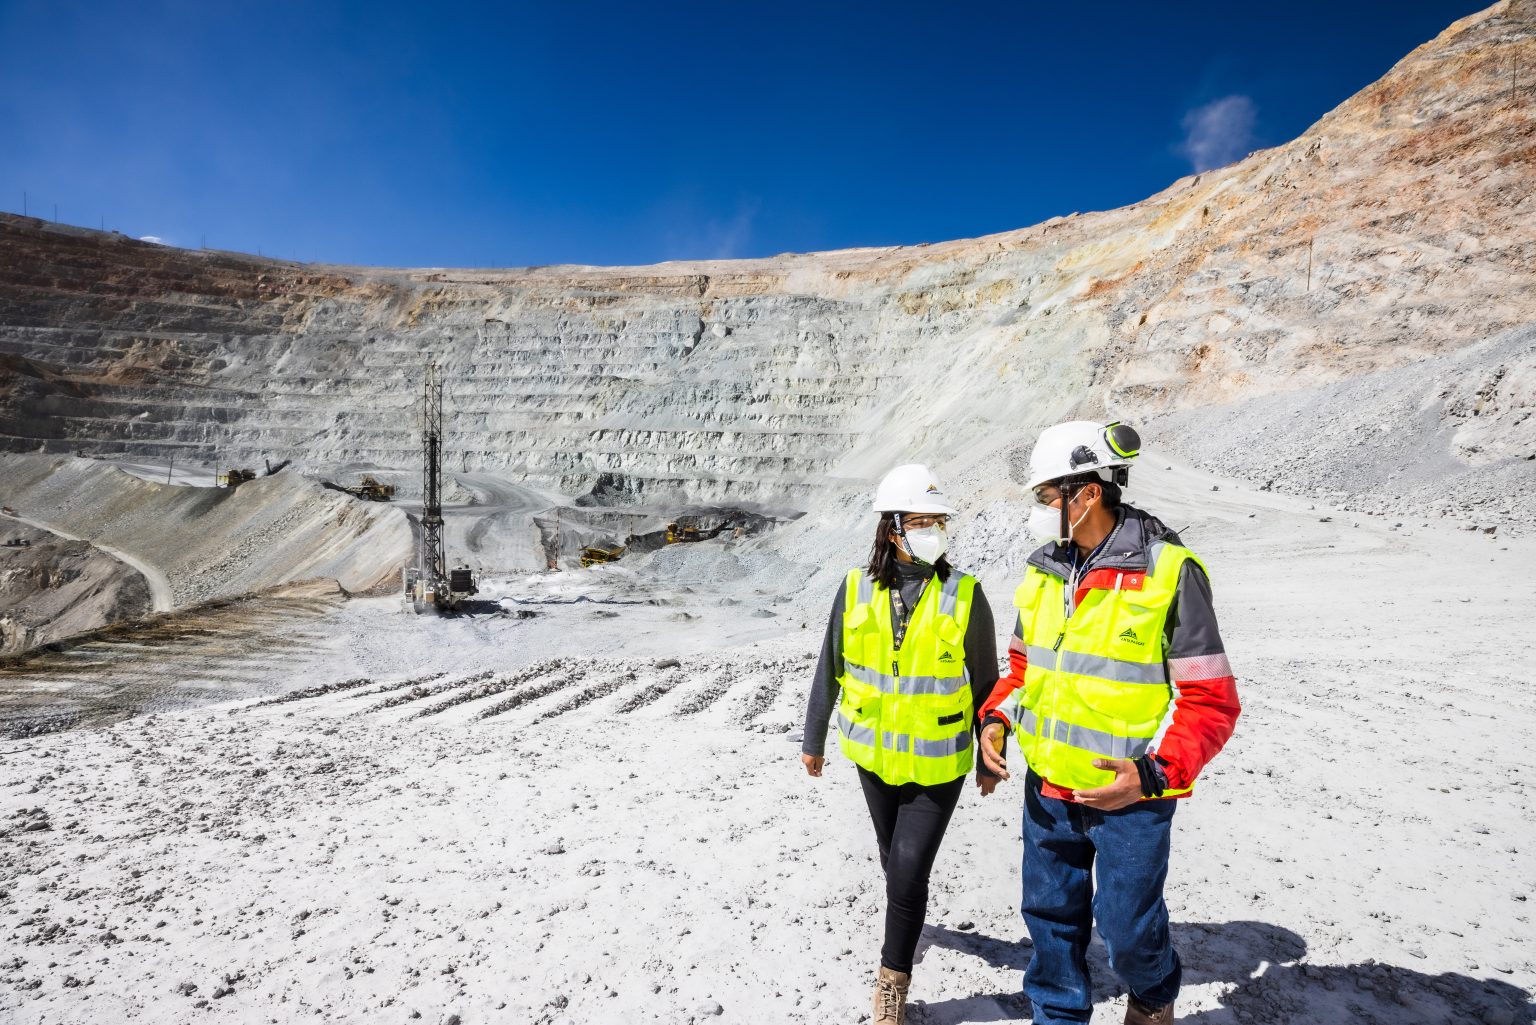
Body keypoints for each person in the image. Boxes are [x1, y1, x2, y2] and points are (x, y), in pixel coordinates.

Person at [978, 422, 1240, 1025]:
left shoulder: (1169, 573)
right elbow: (1023, 668)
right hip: (1047, 789)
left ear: (1087, 493)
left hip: (1131, 799)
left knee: (1127, 928)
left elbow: (1212, 702)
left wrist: (1149, 776)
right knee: (1049, 921)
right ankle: (1058, 1015)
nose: (1041, 509)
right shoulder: (1044, 571)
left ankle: (1152, 998)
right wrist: (995, 721)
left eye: (1047, 496)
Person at [801, 464, 1000, 1025]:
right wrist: (813, 738)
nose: (933, 530)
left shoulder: (966, 594)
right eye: (920, 521)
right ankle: (907, 917)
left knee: (909, 869)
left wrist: (989, 746)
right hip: (873, 759)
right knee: (894, 863)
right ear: (892, 529)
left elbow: (986, 680)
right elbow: (830, 668)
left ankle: (892, 984)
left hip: (939, 766)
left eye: (939, 521)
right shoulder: (854, 588)